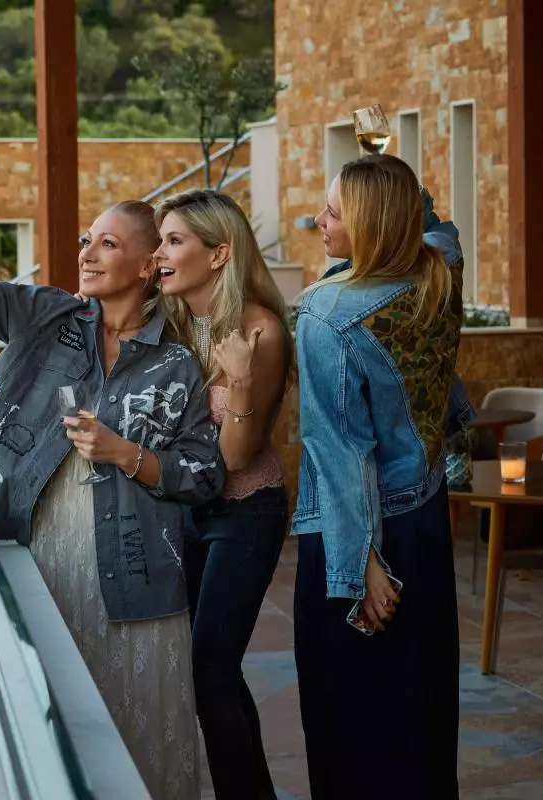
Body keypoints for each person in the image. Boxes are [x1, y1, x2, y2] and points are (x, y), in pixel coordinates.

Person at [0, 157, 224, 799]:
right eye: (87, 239)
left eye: (107, 243)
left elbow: (204, 475)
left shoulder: (178, 362)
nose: (86, 252)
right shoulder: (46, 319)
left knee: (141, 743)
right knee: (60, 734)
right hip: (39, 555)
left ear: (147, 267)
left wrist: (123, 453)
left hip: (134, 577)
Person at [292, 154, 464, 799]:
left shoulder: (327, 313)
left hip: (359, 538)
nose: (320, 219)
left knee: (352, 719)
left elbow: (338, 452)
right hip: (422, 523)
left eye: (334, 211)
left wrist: (357, 565)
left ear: (372, 224)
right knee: (418, 706)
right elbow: (436, 224)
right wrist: (383, 156)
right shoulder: (440, 274)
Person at [151, 188, 294, 800]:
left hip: (245, 512)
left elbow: (237, 456)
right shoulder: (180, 320)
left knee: (211, 669)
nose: (159, 253)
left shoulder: (259, 329)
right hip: (190, 508)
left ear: (219, 254)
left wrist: (236, 380)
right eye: (159, 239)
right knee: (199, 668)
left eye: (174, 240)